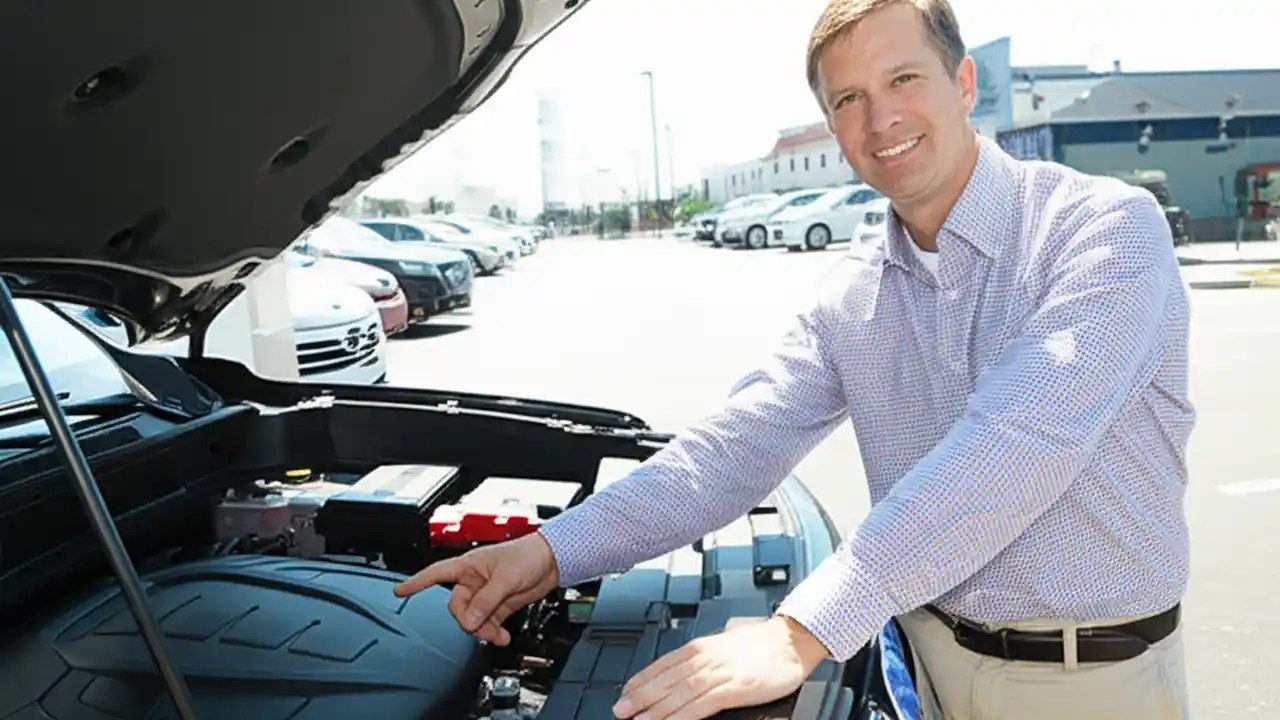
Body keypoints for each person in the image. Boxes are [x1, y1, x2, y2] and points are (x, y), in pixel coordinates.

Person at [394, 0, 1194, 717]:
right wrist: (548, 552)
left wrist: (805, 629)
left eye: (904, 79)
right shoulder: (853, 295)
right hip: (916, 659)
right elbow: (733, 450)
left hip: (1088, 681)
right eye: (849, 99)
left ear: (963, 81)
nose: (881, 120)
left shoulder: (1104, 230)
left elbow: (1020, 441)